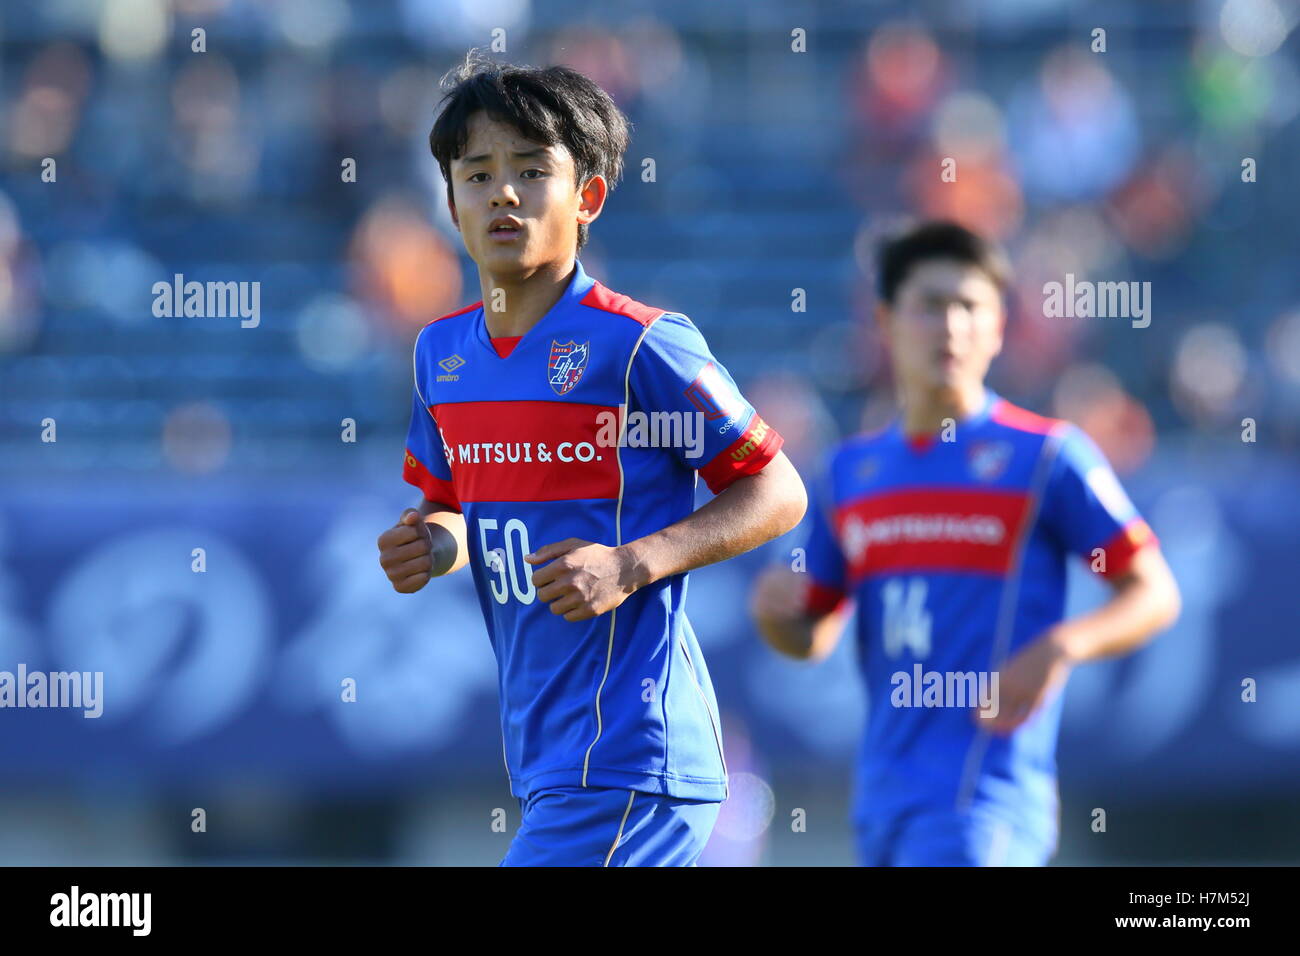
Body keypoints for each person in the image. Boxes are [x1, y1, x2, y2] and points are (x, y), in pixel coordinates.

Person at [377, 52, 806, 867]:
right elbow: (454, 508)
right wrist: (431, 543)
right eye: (478, 174)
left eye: (532, 170)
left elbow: (778, 489)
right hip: (550, 758)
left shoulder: (641, 343)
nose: (503, 192)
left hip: (630, 757)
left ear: (588, 198)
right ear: (451, 202)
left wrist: (633, 564)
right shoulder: (441, 356)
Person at [750, 220, 1180, 866]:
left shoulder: (1046, 458)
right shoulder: (850, 473)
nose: (950, 326)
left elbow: (1155, 591)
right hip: (883, 801)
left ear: (999, 326)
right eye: (930, 306)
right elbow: (811, 636)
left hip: (987, 801)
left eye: (969, 307)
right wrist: (773, 613)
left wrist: (1063, 647)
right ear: (886, 320)